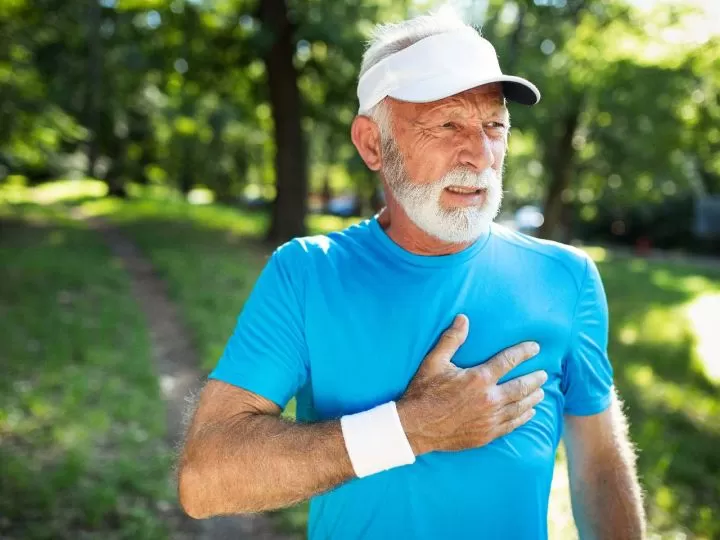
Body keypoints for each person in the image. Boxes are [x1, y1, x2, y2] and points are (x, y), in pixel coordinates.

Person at [178, 8, 645, 539]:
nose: (480, 154)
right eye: (447, 124)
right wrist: (410, 428)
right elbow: (205, 478)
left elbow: (601, 464)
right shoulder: (307, 273)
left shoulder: (569, 278)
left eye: (494, 125)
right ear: (372, 143)